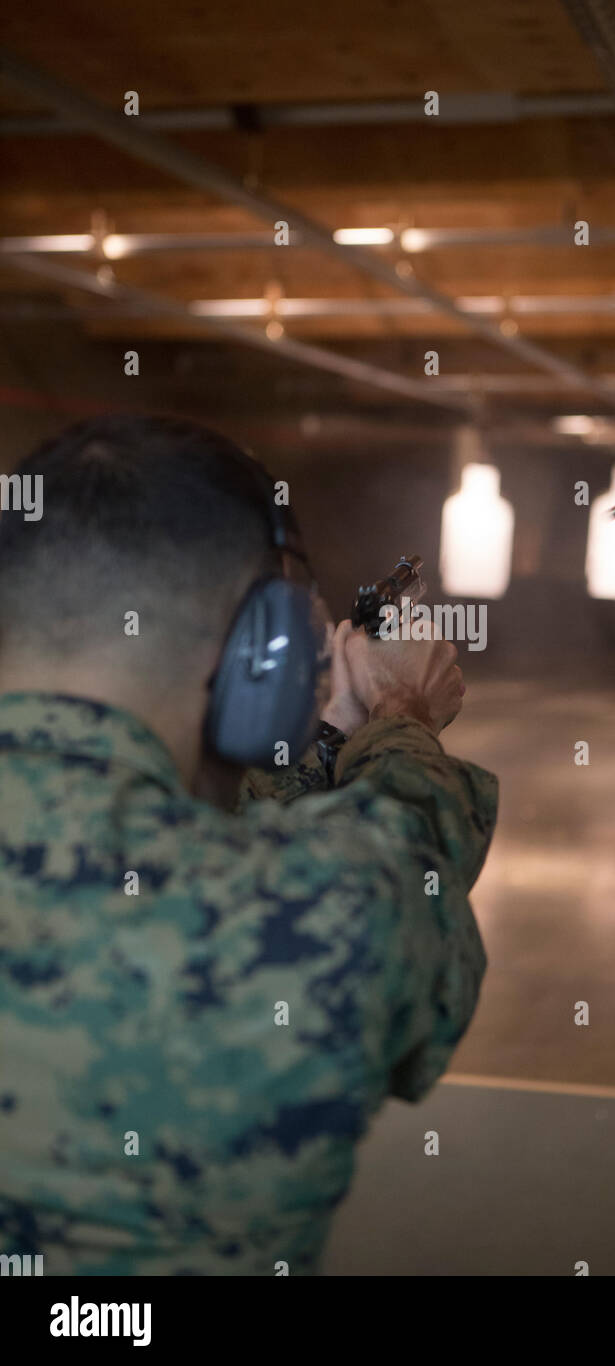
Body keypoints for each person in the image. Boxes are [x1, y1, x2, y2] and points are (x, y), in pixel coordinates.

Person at [0, 414, 497, 1276]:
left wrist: (329, 738)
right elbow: (406, 873)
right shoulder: (325, 910)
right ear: (261, 656)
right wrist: (398, 720)